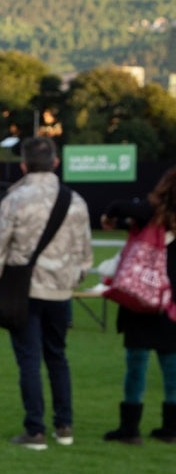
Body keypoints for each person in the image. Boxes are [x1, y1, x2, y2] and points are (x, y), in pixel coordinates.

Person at [0, 136, 92, 449]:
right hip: (60, 293)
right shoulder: (76, 201)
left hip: (23, 291)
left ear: (23, 165)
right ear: (56, 163)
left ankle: (35, 431)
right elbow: (85, 255)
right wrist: (69, 279)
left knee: (29, 361)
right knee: (58, 357)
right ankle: (65, 426)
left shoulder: (15, 200)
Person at [99, 167, 176, 444]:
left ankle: (130, 428)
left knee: (136, 365)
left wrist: (108, 217)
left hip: (142, 298)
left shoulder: (149, 212)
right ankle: (170, 428)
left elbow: (119, 207)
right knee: (171, 367)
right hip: (171, 303)